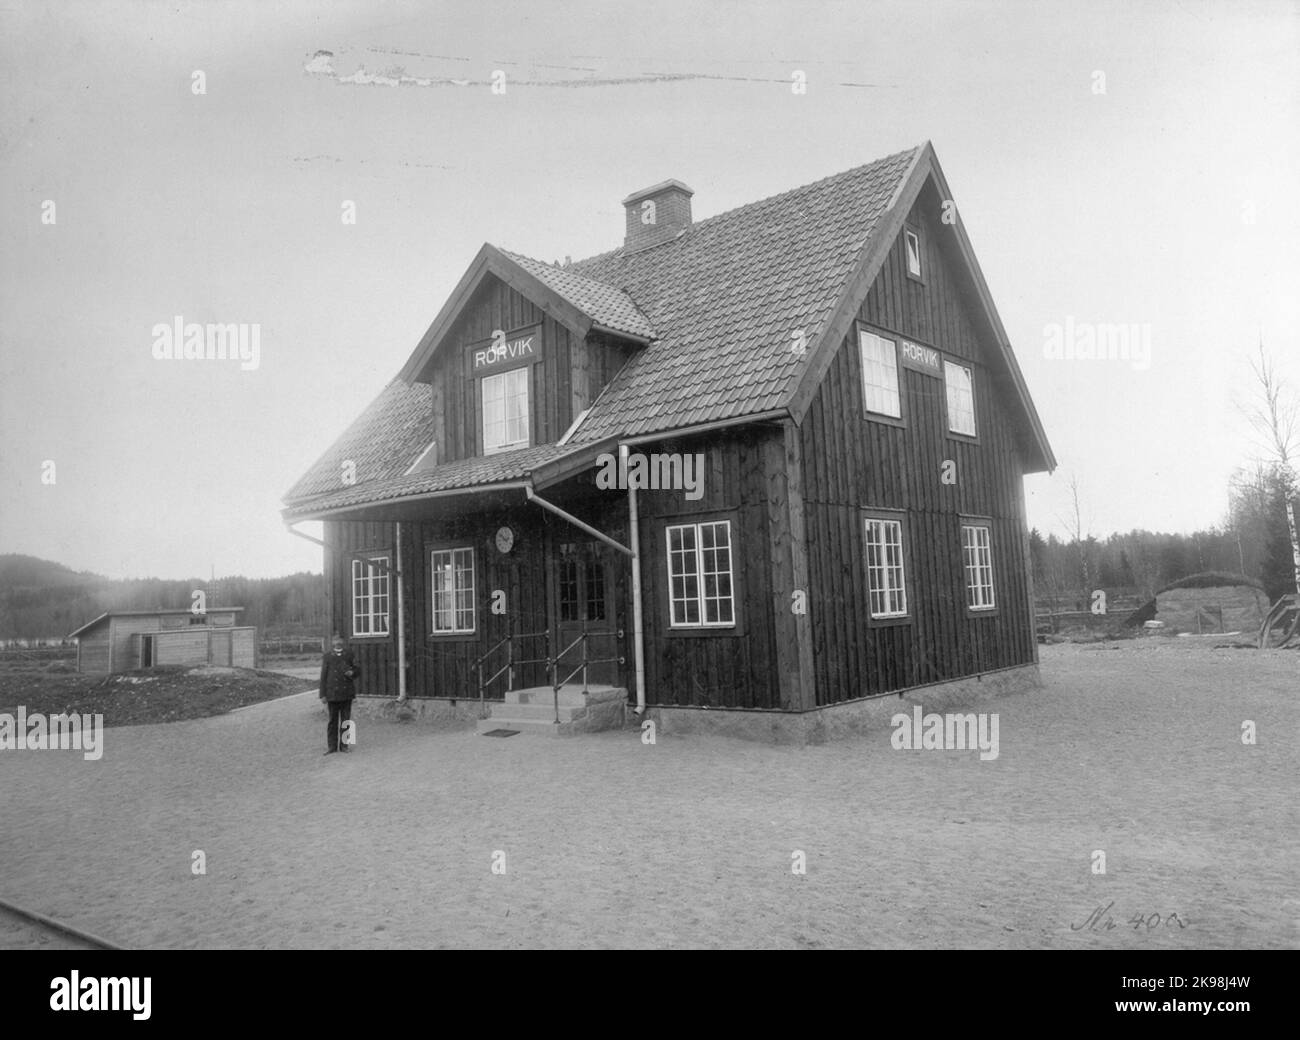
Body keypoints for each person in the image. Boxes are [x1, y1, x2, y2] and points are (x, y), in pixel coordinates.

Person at [319, 635, 360, 754]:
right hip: (332, 693)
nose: (337, 642)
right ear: (332, 642)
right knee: (332, 721)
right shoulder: (327, 656)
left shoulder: (349, 654)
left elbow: (358, 670)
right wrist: (323, 694)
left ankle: (344, 746)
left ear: (343, 641)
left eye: (339, 640)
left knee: (346, 720)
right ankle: (331, 747)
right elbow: (323, 676)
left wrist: (352, 672)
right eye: (335, 640)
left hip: (346, 693)